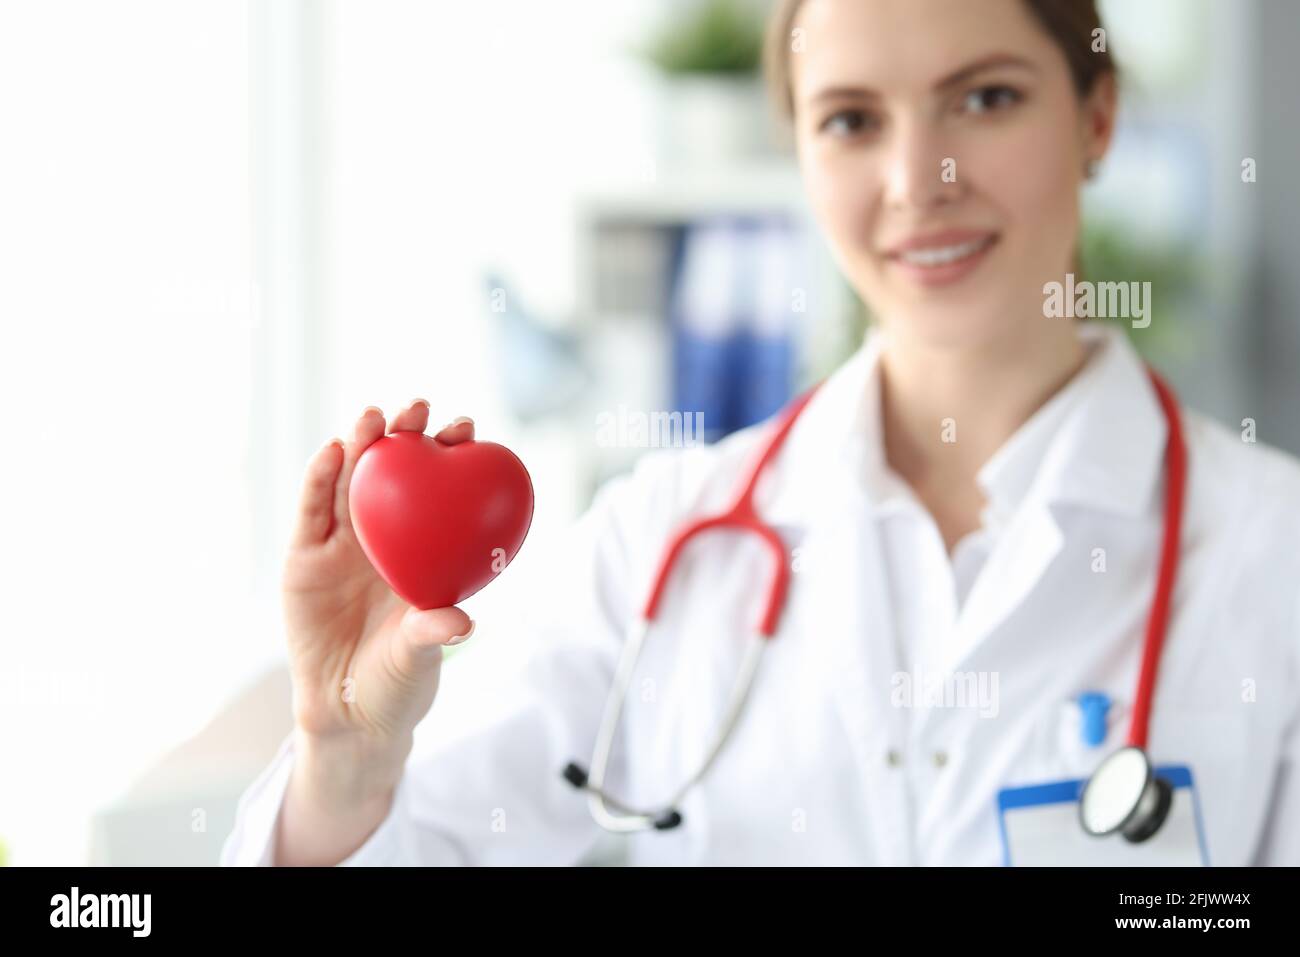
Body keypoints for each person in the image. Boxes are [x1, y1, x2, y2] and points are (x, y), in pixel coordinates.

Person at [222, 0, 1300, 866]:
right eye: (850, 119)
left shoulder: (1271, 553)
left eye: (984, 97)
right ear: (796, 147)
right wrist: (347, 761)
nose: (917, 181)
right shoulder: (659, 541)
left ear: (1096, 116)